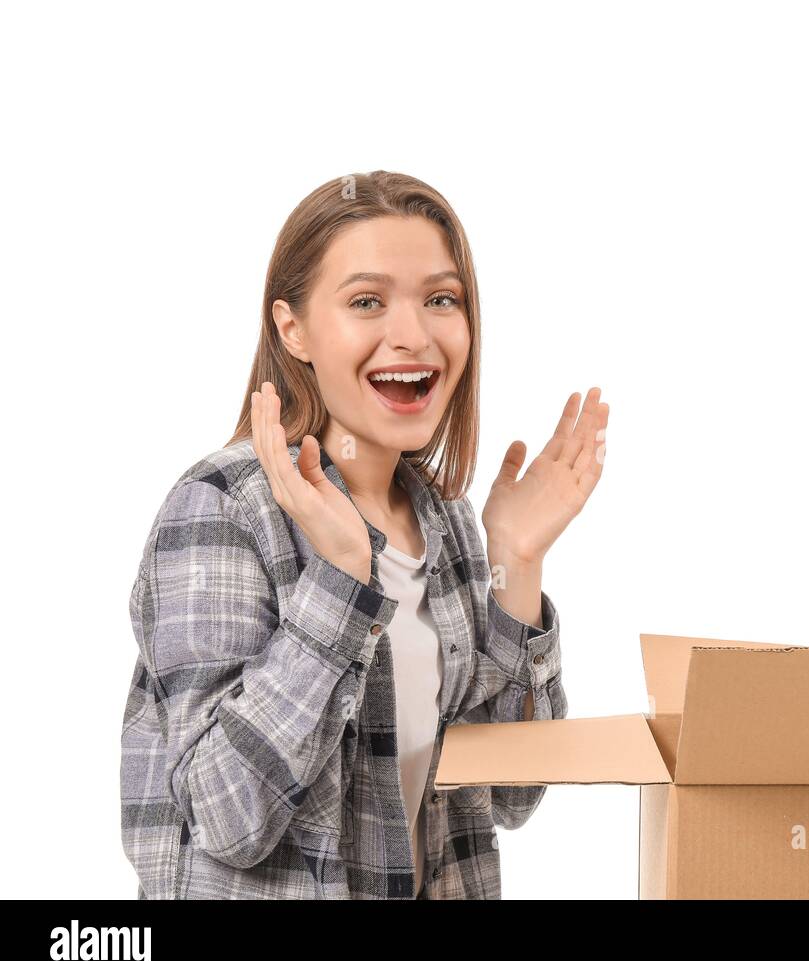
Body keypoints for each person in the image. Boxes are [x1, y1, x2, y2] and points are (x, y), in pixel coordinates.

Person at [119, 170, 608, 899]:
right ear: (293, 330)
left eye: (441, 299)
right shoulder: (223, 507)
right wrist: (341, 584)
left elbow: (510, 796)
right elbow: (224, 818)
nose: (412, 335)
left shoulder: (446, 525)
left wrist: (515, 561)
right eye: (367, 302)